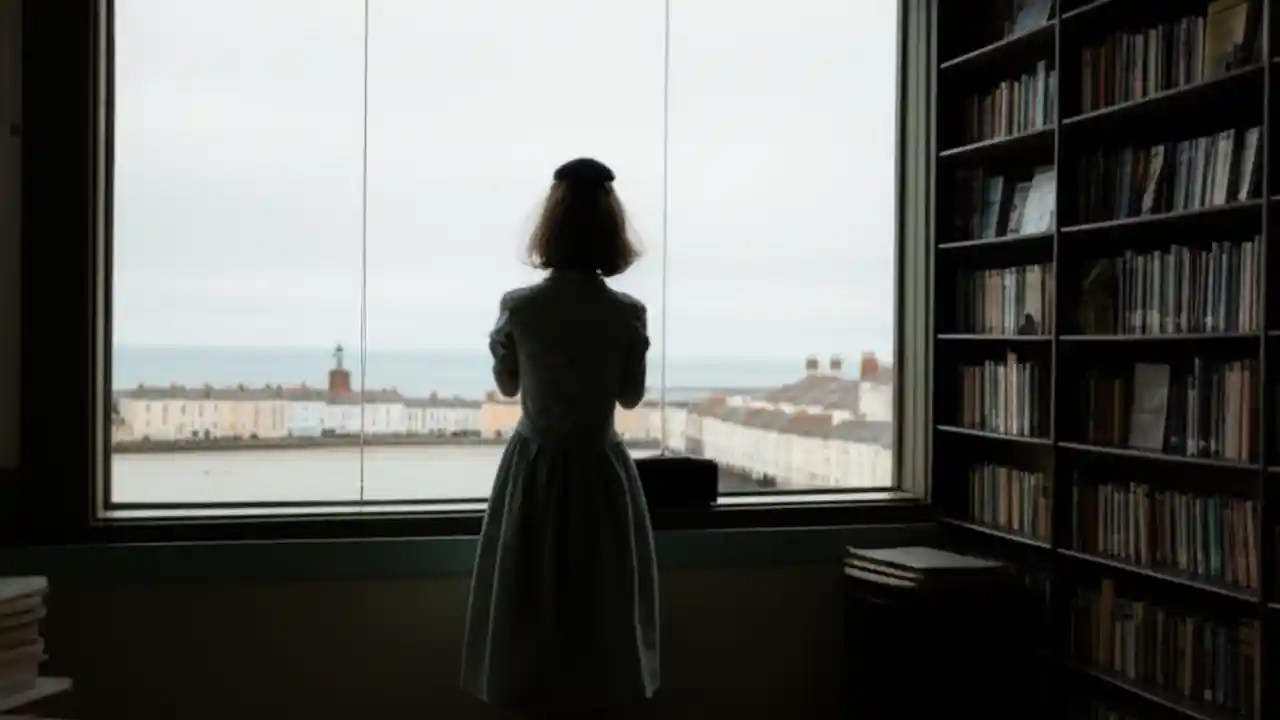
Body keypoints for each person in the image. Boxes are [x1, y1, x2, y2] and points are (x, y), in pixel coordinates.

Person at [461, 158, 660, 719]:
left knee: (527, 611)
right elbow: (630, 396)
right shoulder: (627, 313)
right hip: (601, 473)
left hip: (536, 471)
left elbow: (506, 385)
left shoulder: (520, 307)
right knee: (603, 618)